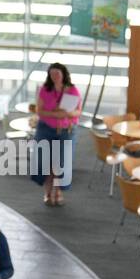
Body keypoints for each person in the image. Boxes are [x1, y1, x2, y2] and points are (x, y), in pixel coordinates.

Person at [30, 63, 81, 207]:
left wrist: (67, 114)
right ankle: (47, 192)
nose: (55, 77)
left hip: (66, 130)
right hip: (46, 128)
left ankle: (58, 191)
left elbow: (78, 112)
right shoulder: (45, 89)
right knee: (45, 161)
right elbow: (39, 110)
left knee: (61, 163)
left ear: (63, 74)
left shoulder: (72, 90)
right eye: (52, 74)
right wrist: (55, 114)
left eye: (57, 73)